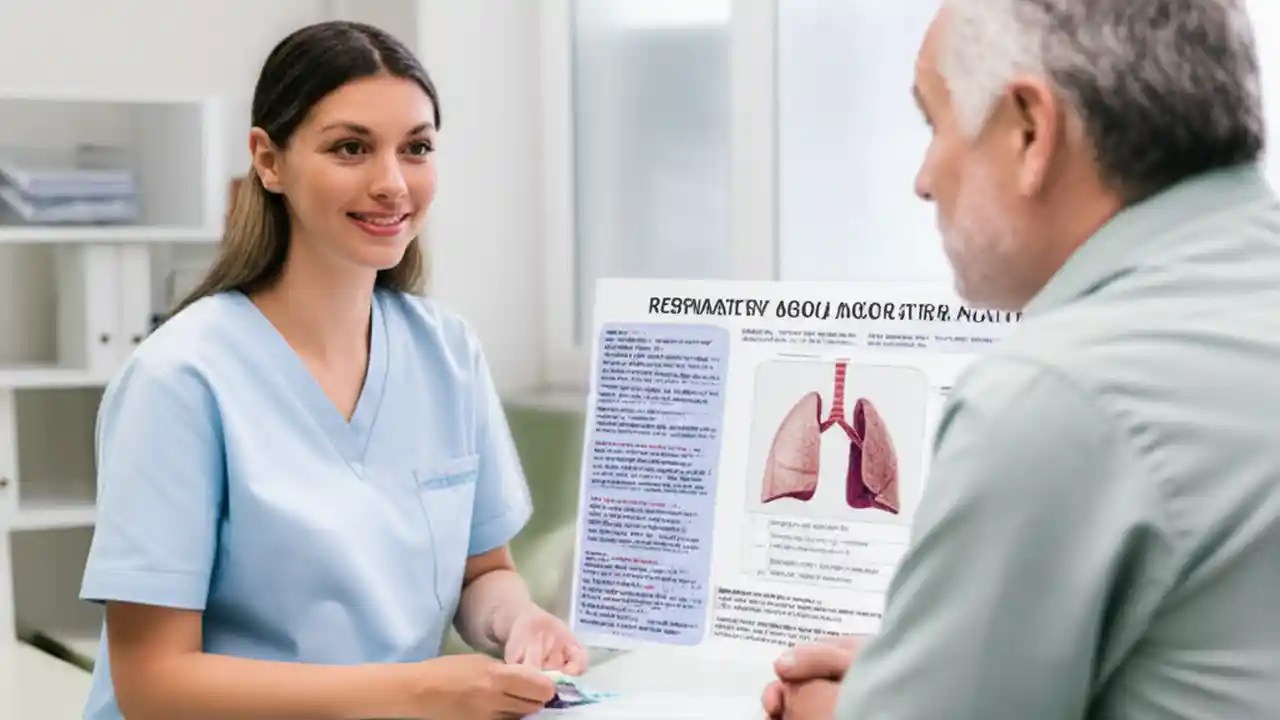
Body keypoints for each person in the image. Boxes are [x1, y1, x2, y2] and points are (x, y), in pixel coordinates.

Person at [763, 0, 1280, 718]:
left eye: (934, 122)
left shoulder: (1057, 395)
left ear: (1031, 131)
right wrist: (924, 671)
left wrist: (835, 711)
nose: (923, 178)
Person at [78, 20, 584, 720]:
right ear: (269, 160)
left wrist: (517, 622)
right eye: (350, 148)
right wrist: (421, 690)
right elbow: (154, 685)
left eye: (416, 149)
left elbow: (483, 572)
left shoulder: (447, 352)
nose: (391, 183)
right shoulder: (180, 380)